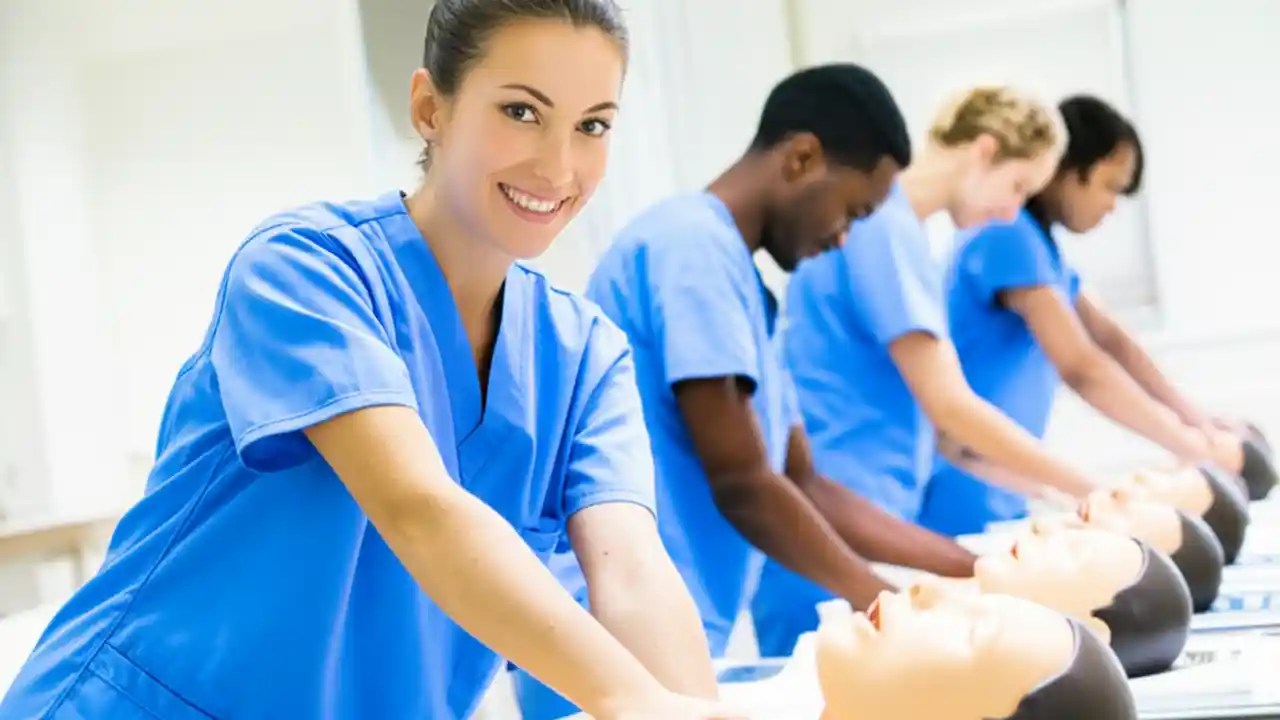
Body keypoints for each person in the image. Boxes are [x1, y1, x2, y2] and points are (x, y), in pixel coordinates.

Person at [0, 3, 738, 719]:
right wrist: (628, 700)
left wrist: (690, 710)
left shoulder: (585, 357)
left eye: (593, 126)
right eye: (521, 111)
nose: (559, 163)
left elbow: (631, 572)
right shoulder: (303, 270)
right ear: (430, 109)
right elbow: (419, 509)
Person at [513, 63, 980, 719]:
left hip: (668, 633)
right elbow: (743, 483)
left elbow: (804, 483)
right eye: (851, 210)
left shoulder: (749, 292)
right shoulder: (690, 246)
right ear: (802, 158)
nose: (844, 236)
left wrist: (966, 571)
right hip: (611, 635)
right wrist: (887, 603)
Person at [751, 85, 1111, 657]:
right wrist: (1097, 490)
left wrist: (1052, 498)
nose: (1012, 212)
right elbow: (952, 405)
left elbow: (946, 435)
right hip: (835, 527)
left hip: (868, 519)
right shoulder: (881, 228)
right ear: (984, 151)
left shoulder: (900, 233)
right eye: (1018, 187)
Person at [917, 95, 1245, 538]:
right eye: (1110, 186)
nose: (1112, 206)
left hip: (999, 484)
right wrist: (1193, 448)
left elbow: (1111, 340)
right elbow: (1081, 367)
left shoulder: (1041, 247)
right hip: (962, 488)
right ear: (1067, 171)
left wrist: (1196, 421)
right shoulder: (1007, 233)